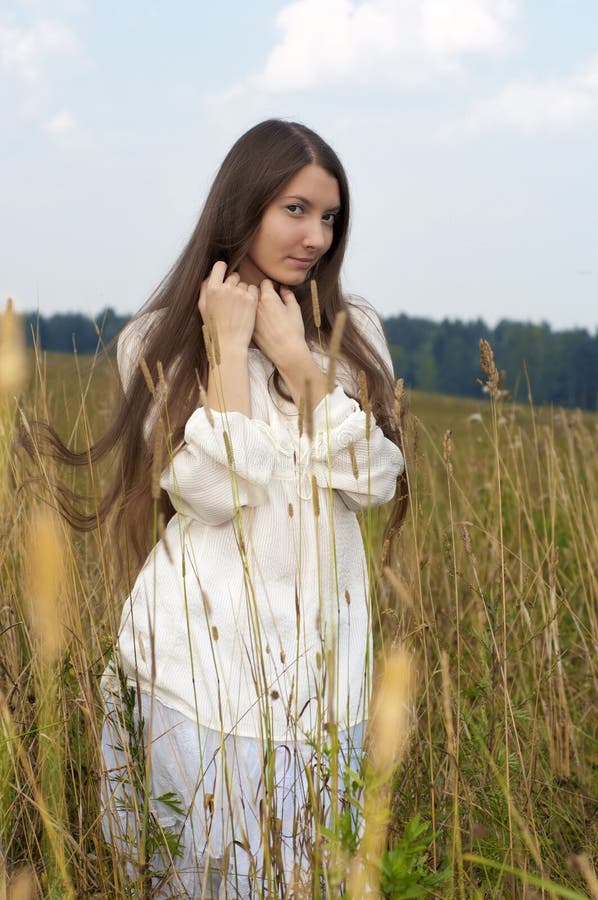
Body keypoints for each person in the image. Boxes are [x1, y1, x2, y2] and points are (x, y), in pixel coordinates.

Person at [28, 119, 407, 897]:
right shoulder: (156, 341)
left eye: (330, 217)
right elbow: (214, 493)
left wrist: (301, 362)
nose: (316, 237)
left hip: (318, 684)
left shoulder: (354, 333)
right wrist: (229, 350)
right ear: (244, 206)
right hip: (193, 680)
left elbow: (374, 478)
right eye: (295, 210)